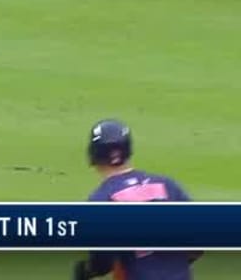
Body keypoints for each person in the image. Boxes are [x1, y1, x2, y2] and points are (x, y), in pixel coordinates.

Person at [73, 119, 200, 280]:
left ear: (94, 153)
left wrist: (87, 270)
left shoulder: (101, 200)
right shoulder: (167, 185)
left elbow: (103, 261)